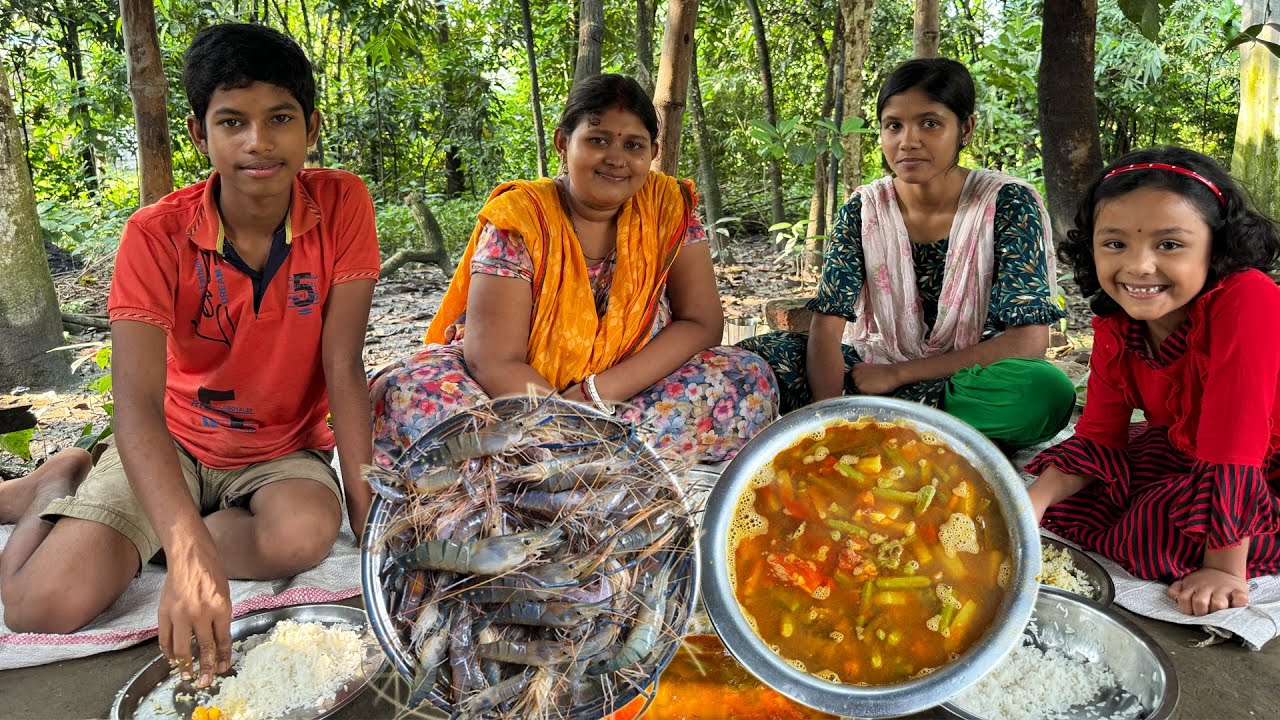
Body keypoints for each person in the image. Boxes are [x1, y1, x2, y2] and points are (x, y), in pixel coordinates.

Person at [0, 24, 379, 685]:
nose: (258, 141)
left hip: (279, 448)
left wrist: (366, 512)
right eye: (232, 121)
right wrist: (186, 541)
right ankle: (52, 485)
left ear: (311, 129)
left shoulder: (342, 204)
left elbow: (342, 365)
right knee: (40, 606)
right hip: (172, 439)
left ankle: (162, 533)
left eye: (279, 118)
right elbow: (137, 403)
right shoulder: (155, 235)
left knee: (304, 536)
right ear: (200, 135)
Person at [370, 74, 777, 466]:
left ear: (652, 153)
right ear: (563, 144)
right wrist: (564, 420)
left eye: (633, 145)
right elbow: (493, 360)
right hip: (514, 395)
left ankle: (552, 467)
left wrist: (596, 394)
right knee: (406, 390)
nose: (616, 159)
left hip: (627, 391)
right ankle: (595, 461)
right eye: (598, 140)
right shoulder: (522, 218)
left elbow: (701, 322)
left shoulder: (666, 208)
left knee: (747, 379)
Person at [739, 57, 1073, 450]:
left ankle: (879, 419)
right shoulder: (865, 210)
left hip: (966, 375)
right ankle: (895, 428)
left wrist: (898, 375)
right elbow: (827, 328)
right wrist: (827, 425)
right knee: (755, 359)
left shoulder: (1008, 203)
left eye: (929, 123)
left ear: (965, 128)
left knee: (1045, 391)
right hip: (870, 365)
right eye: (893, 125)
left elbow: (1027, 343)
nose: (907, 141)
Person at [1025, 147, 1280, 616]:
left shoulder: (1250, 299)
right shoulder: (1115, 322)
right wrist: (1028, 507)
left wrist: (1223, 569)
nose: (1139, 267)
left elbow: (1235, 442)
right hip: (1184, 448)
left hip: (1258, 463)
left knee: (1152, 535)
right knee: (1060, 498)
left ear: (1216, 247)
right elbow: (1100, 437)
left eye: (1169, 245)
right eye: (1115, 243)